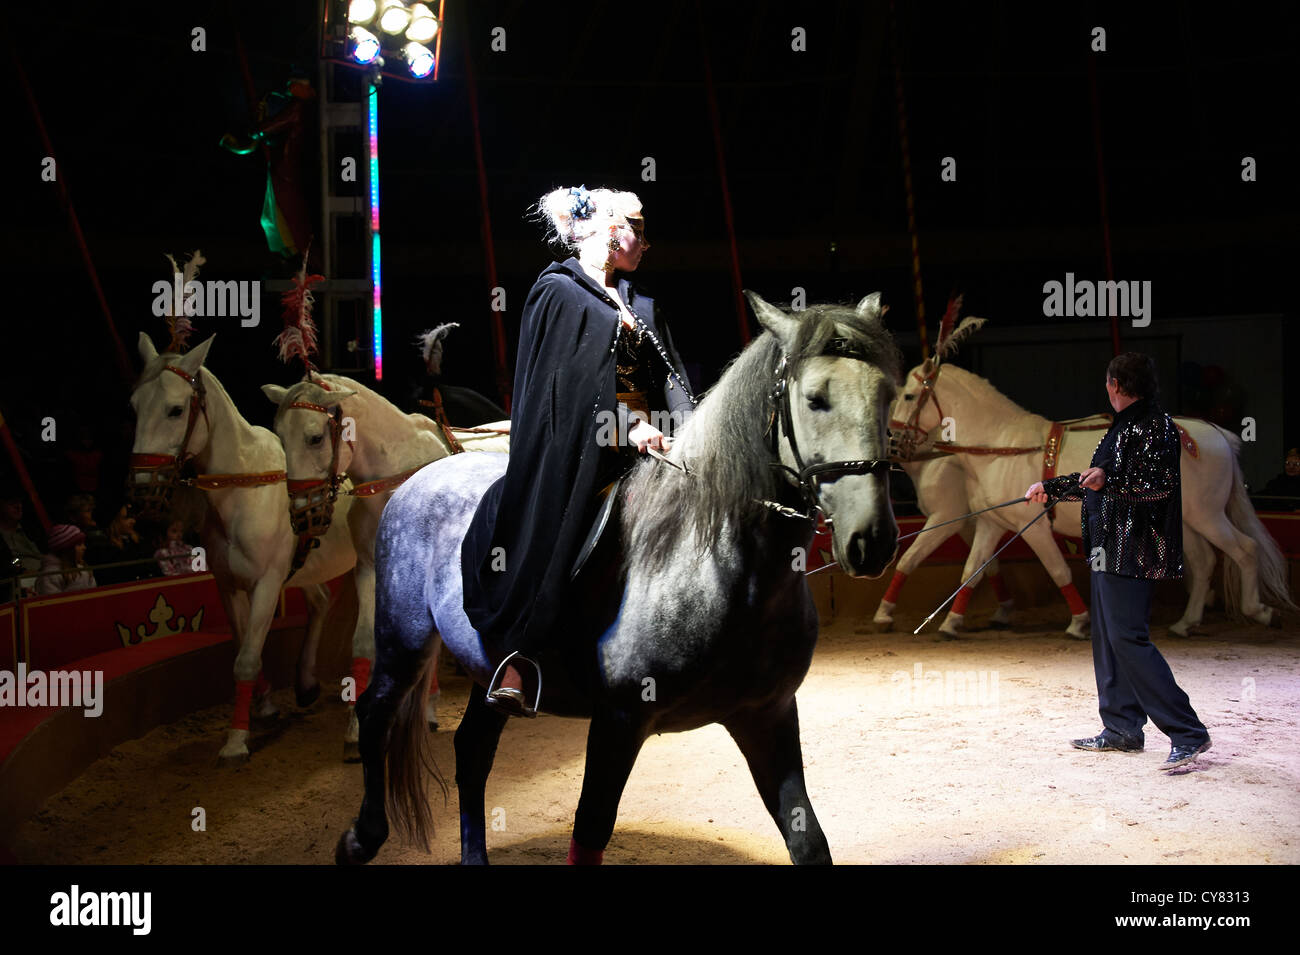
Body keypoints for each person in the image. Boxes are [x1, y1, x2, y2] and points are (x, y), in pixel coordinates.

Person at [461, 186, 696, 718]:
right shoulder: (559, 292)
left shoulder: (640, 304)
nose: (645, 243)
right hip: (585, 445)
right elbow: (562, 387)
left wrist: (692, 427)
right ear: (612, 230)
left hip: (655, 440)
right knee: (565, 518)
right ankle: (522, 654)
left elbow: (672, 380)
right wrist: (625, 424)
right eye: (638, 230)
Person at [1026, 352, 1211, 771]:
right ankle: (1122, 728)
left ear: (1115, 385)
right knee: (1108, 637)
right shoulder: (1124, 427)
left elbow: (1156, 488)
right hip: (1105, 545)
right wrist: (1051, 487)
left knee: (1129, 638)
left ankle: (1188, 732)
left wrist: (1108, 480)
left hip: (1135, 546)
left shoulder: (1155, 426)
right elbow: (1098, 480)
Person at [36, 524, 97, 595]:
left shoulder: (84, 570)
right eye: (79, 544)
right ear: (67, 550)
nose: (84, 547)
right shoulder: (50, 575)